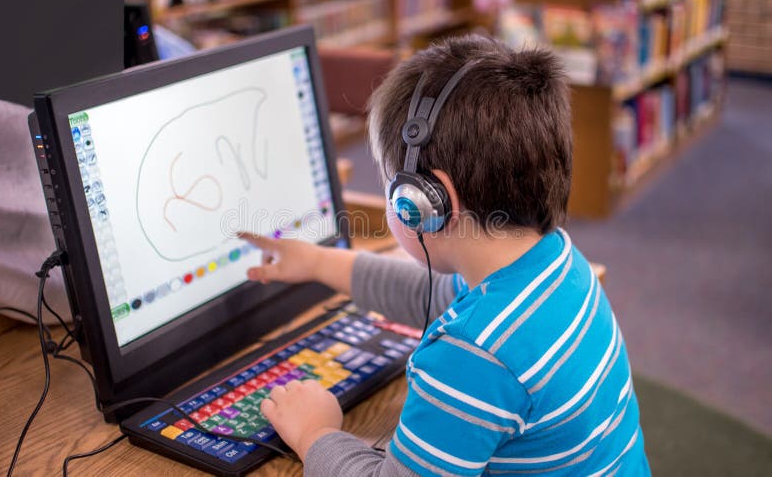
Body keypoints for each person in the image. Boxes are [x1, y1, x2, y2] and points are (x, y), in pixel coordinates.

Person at [241, 35, 650, 476]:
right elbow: (432, 292)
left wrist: (315, 432)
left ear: (425, 203)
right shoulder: (555, 263)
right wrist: (319, 263)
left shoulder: (471, 354)